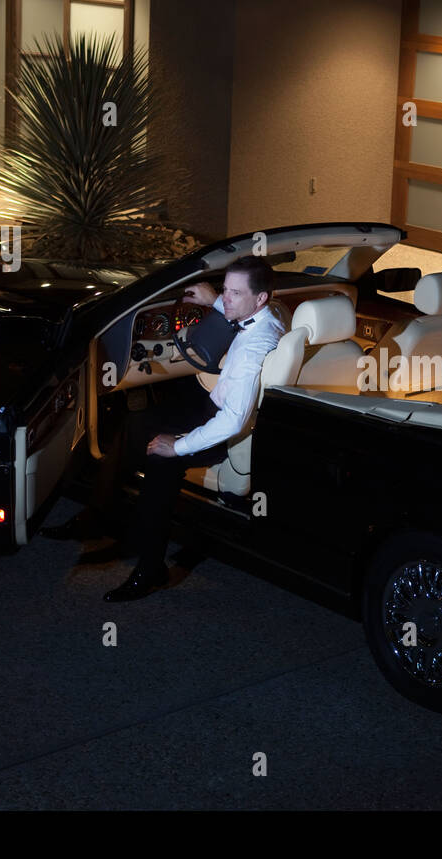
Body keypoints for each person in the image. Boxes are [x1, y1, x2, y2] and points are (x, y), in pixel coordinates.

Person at [44, 257, 285, 602]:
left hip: (225, 429)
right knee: (135, 423)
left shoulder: (253, 349)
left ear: (259, 299)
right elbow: (236, 311)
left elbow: (232, 420)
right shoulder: (270, 314)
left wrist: (177, 446)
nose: (226, 298)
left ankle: (150, 567)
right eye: (225, 290)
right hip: (210, 404)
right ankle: (97, 516)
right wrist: (213, 300)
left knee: (161, 459)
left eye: (234, 293)